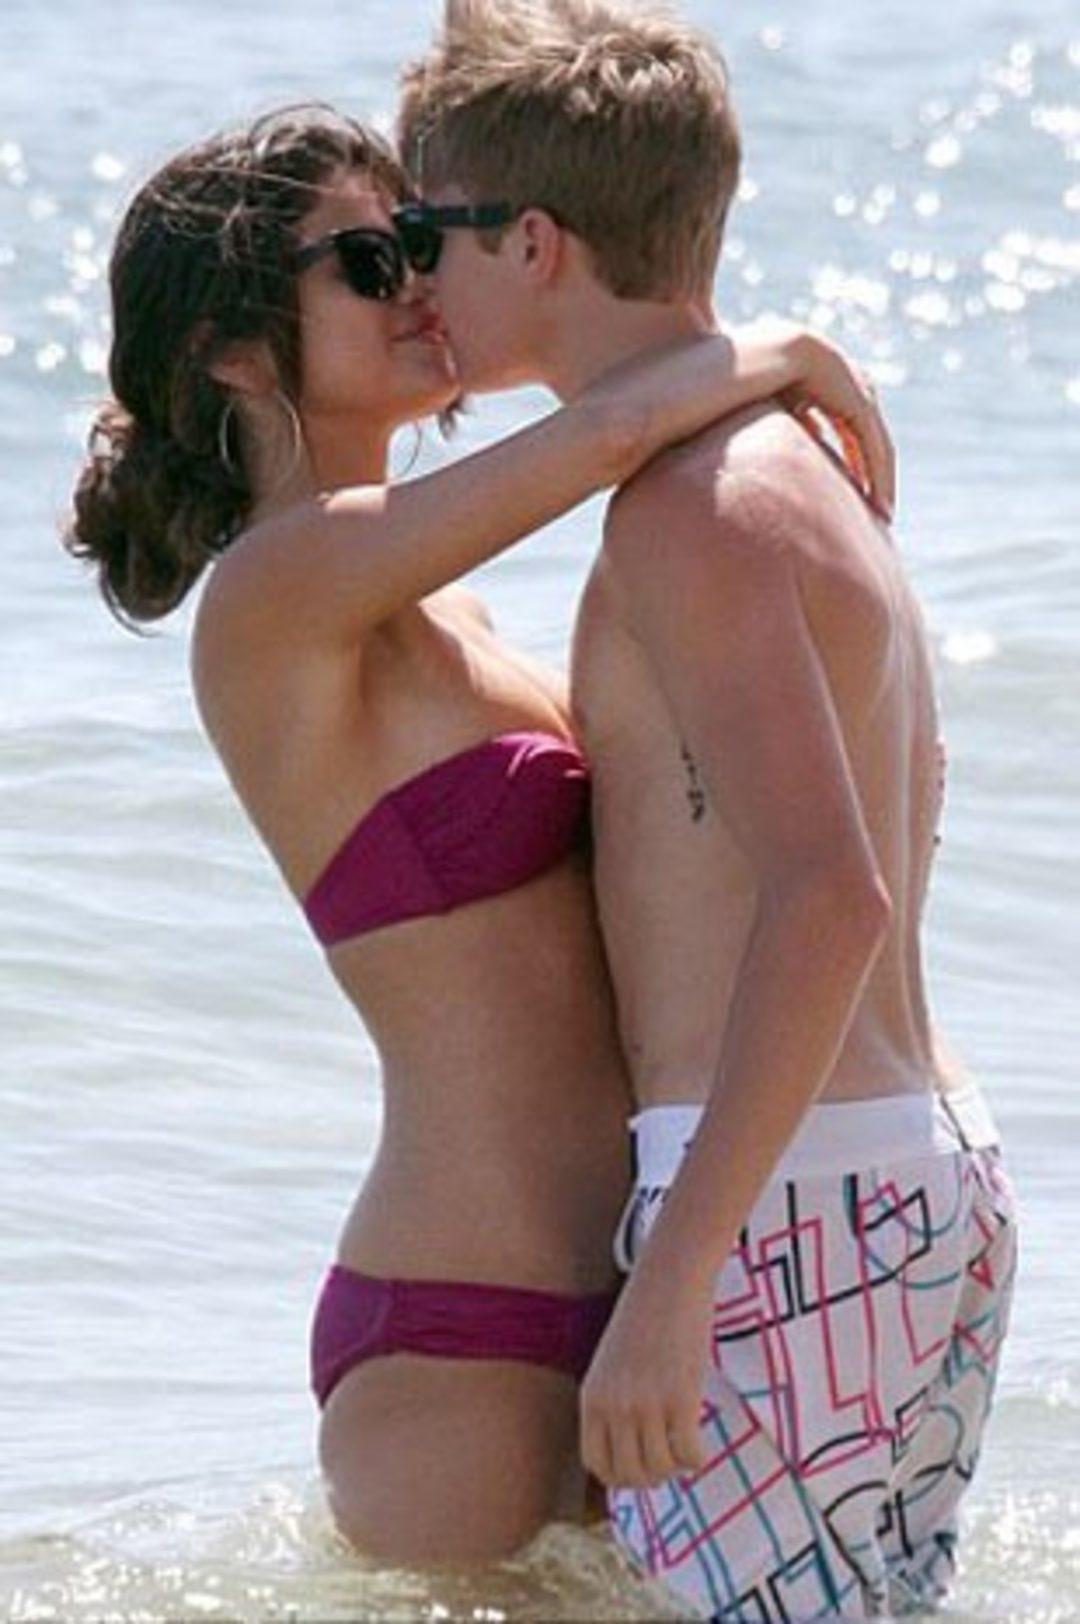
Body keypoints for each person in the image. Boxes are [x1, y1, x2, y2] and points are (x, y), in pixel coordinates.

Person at [64, 103, 892, 1569]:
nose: (419, 284)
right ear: (231, 350)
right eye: (366, 261)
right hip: (457, 1332)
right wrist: (788, 350)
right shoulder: (269, 600)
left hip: (642, 1293)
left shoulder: (454, 606)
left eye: (415, 242)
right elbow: (611, 429)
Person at [398, 0, 1018, 1615]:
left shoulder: (693, 512)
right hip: (903, 1175)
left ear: (532, 242)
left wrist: (677, 1279)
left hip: (786, 1206)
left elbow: (832, 893)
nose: (413, 285)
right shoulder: (791, 466)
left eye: (425, 236)